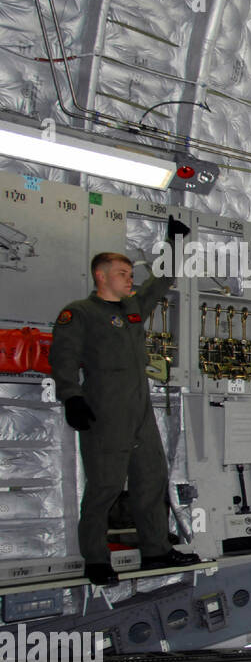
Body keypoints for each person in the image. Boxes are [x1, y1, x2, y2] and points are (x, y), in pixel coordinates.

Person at [49, 250, 201, 586]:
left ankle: (156, 550)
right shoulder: (79, 313)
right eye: (122, 273)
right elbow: (63, 356)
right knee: (105, 486)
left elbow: (158, 285)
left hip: (139, 412)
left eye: (130, 273)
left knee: (151, 480)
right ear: (101, 276)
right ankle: (96, 560)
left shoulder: (132, 310)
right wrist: (72, 396)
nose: (129, 279)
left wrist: (173, 245)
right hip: (106, 411)